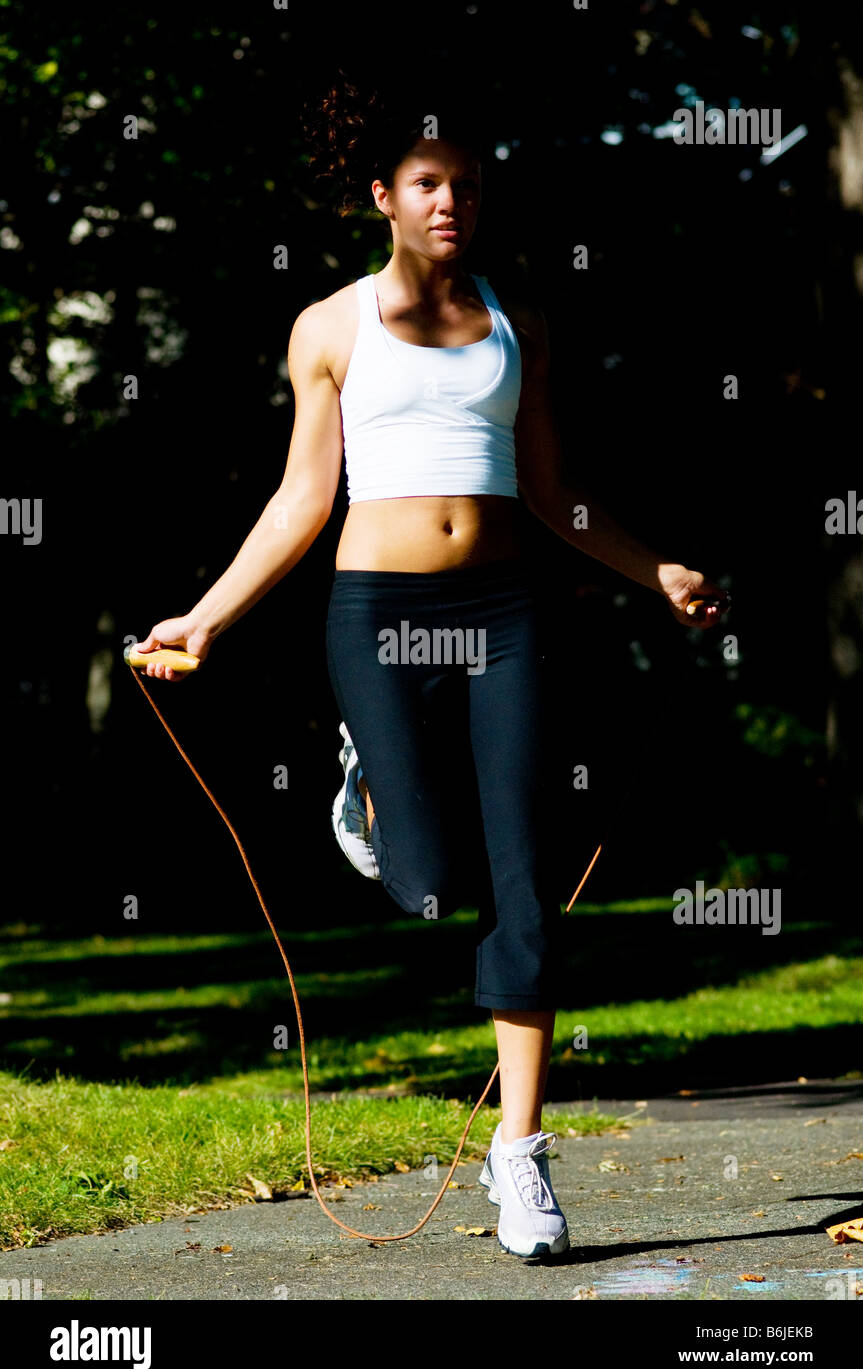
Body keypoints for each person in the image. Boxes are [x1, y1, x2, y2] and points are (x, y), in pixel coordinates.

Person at [131, 72, 728, 1260]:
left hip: (503, 607)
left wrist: (654, 568)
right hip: (375, 609)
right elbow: (303, 496)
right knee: (426, 877)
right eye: (425, 183)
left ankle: (520, 1154)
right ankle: (366, 782)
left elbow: (554, 493)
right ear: (382, 198)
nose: (449, 199)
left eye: (462, 182)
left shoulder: (520, 321)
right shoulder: (329, 327)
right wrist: (204, 620)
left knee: (521, 874)